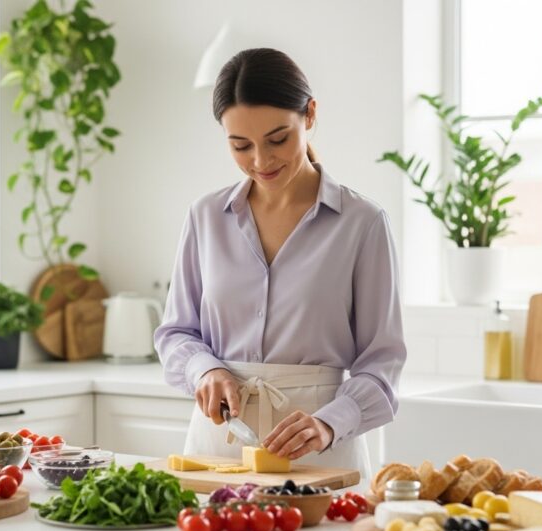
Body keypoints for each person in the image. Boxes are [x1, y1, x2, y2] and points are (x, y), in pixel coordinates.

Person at [154, 48, 405, 477]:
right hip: (216, 443)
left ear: (309, 115)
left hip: (319, 448)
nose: (260, 161)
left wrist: (330, 423)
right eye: (240, 145)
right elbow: (176, 332)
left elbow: (382, 361)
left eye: (277, 139)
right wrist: (204, 369)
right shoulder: (205, 217)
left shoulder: (362, 224)